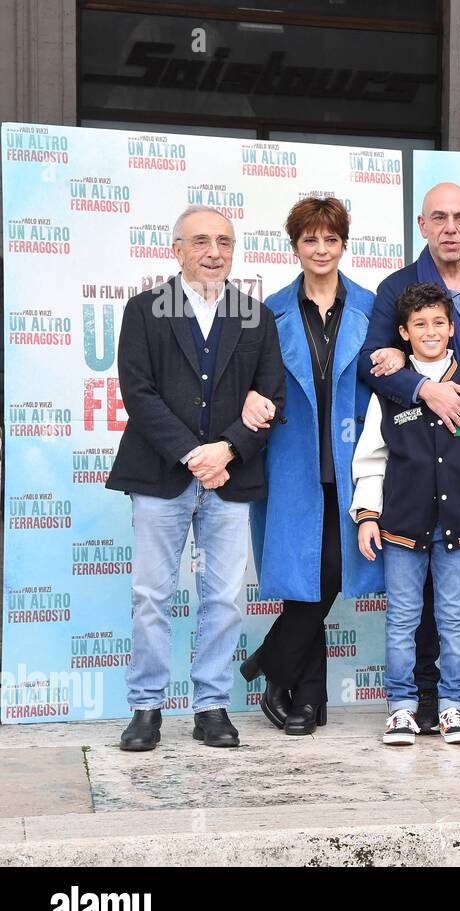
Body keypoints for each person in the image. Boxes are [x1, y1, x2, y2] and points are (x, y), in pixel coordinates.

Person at [109, 205, 284, 751]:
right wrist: (193, 454)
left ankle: (211, 706)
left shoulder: (255, 316)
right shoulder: (143, 311)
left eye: (225, 242)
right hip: (160, 474)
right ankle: (146, 708)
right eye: (202, 242)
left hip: (231, 478)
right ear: (177, 250)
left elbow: (271, 398)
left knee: (225, 599)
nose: (215, 252)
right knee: (152, 595)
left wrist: (227, 449)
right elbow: (138, 394)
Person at [362, 182, 460, 735]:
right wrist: (425, 389)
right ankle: (416, 700)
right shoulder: (397, 287)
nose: (450, 227)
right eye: (438, 218)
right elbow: (372, 363)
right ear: (422, 224)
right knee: (411, 608)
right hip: (414, 471)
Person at [241, 196, 384, 735]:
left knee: (327, 573)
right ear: (295, 246)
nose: (321, 249)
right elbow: (247, 383)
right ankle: (307, 701)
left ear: (344, 244)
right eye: (310, 240)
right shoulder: (269, 311)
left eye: (330, 239)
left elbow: (389, 382)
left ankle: (272, 665)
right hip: (292, 463)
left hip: (354, 462)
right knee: (309, 580)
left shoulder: (373, 309)